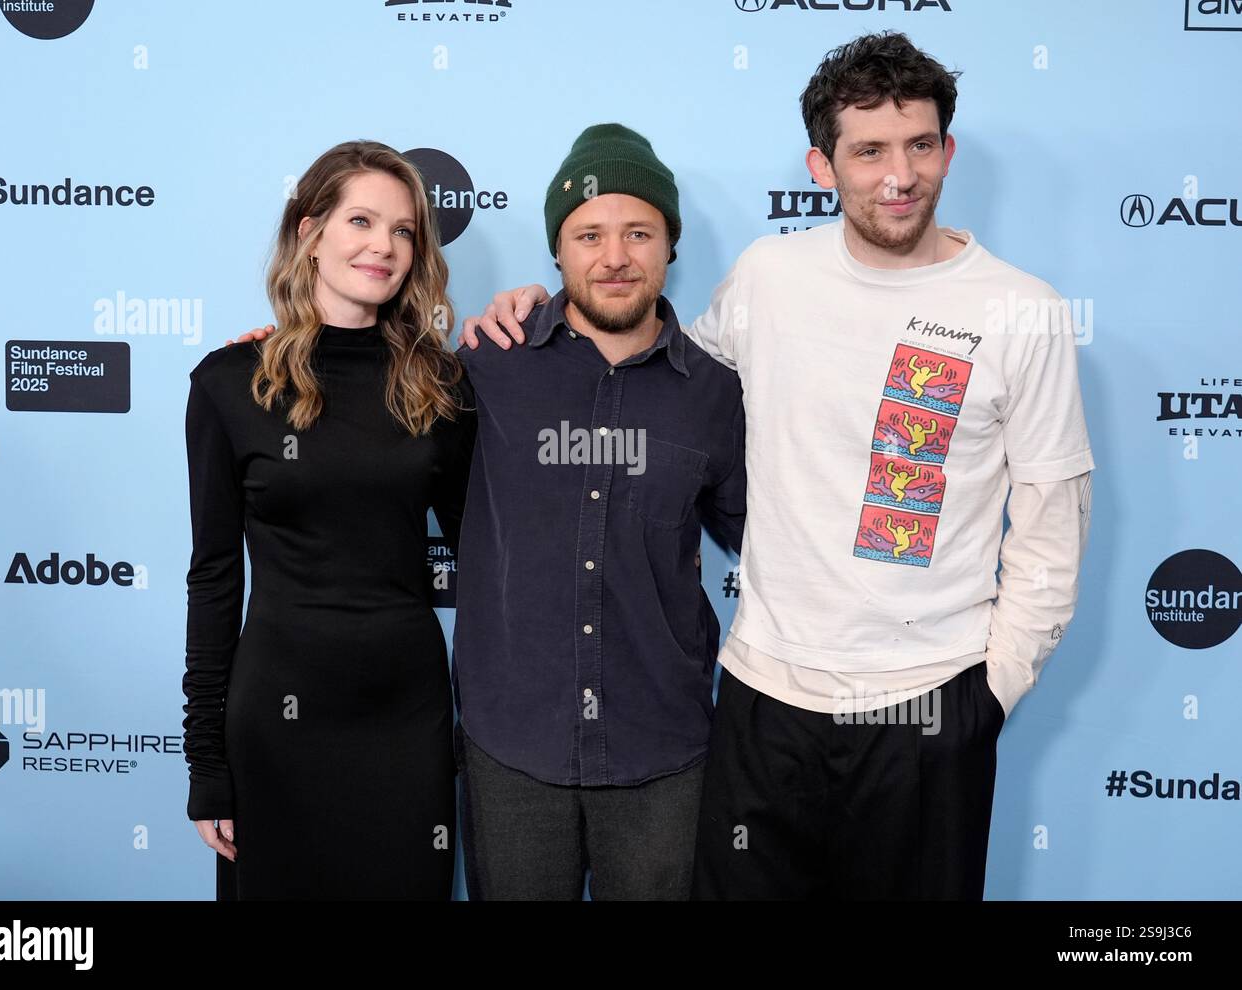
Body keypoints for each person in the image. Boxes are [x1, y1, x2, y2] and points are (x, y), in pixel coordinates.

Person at [463, 33, 1095, 900]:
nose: (897, 176)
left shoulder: (1024, 311)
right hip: (765, 700)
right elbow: (653, 366)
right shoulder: (770, 277)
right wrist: (541, 308)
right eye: (868, 150)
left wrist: (990, 695)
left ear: (948, 150)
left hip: (929, 698)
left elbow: (1055, 522)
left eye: (919, 145)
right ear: (822, 163)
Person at [454, 123, 745, 899]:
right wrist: (279, 351)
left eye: (638, 232)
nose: (614, 257)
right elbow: (365, 426)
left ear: (670, 246)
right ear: (558, 250)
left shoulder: (717, 395)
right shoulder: (490, 361)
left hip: (663, 749)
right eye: (589, 234)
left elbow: (774, 538)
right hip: (513, 744)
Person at [183, 140, 475, 899]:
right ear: (310, 232)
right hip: (275, 725)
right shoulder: (228, 384)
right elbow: (214, 581)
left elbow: (490, 546)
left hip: (404, 722)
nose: (384, 244)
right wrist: (207, 765)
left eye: (404, 230)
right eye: (361, 221)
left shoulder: (442, 386)